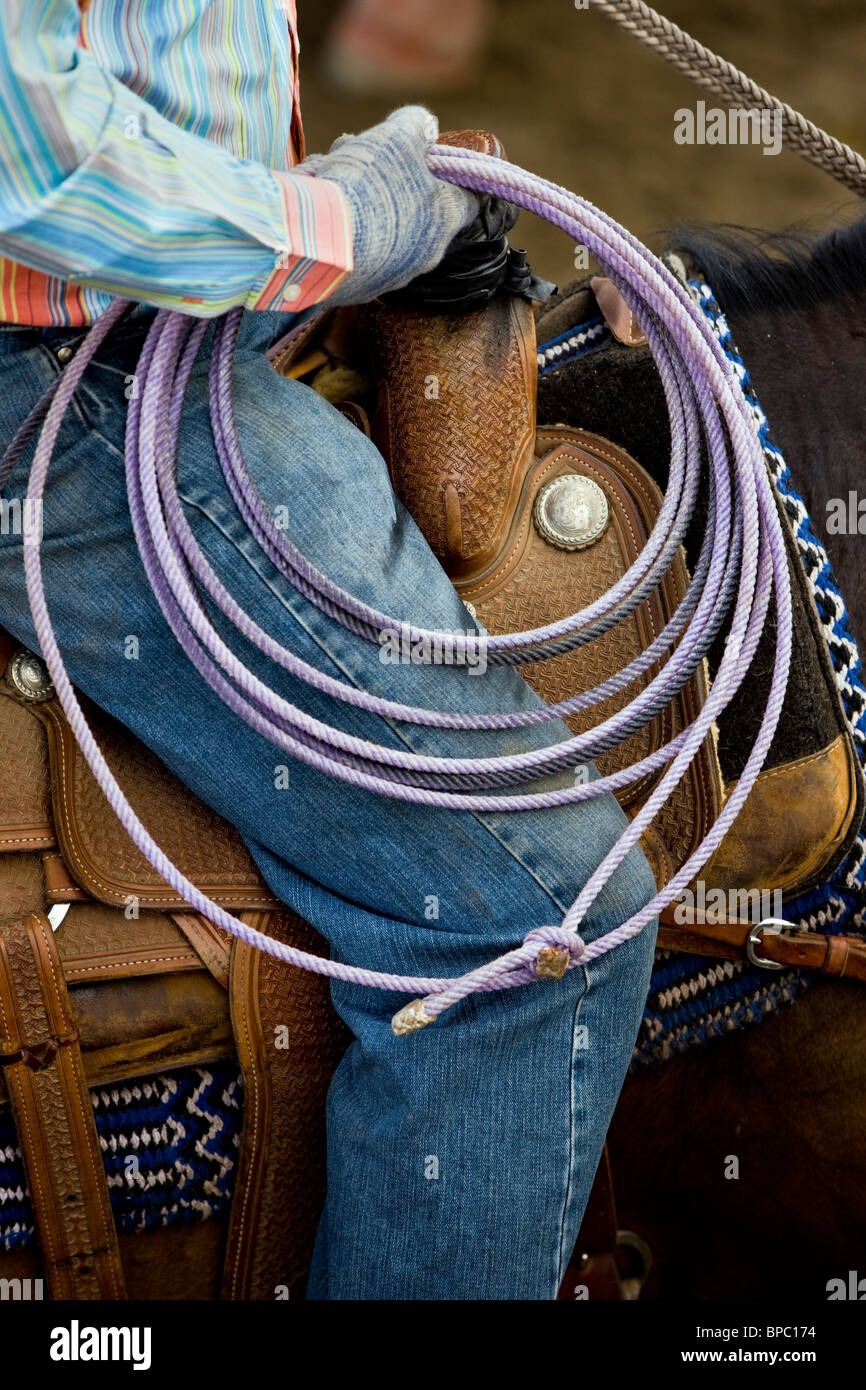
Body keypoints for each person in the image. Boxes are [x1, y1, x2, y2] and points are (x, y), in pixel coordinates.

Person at [0, 0, 657, 1300]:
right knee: (536, 922)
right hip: (72, 368)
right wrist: (343, 228)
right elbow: (37, 166)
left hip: (185, 303)